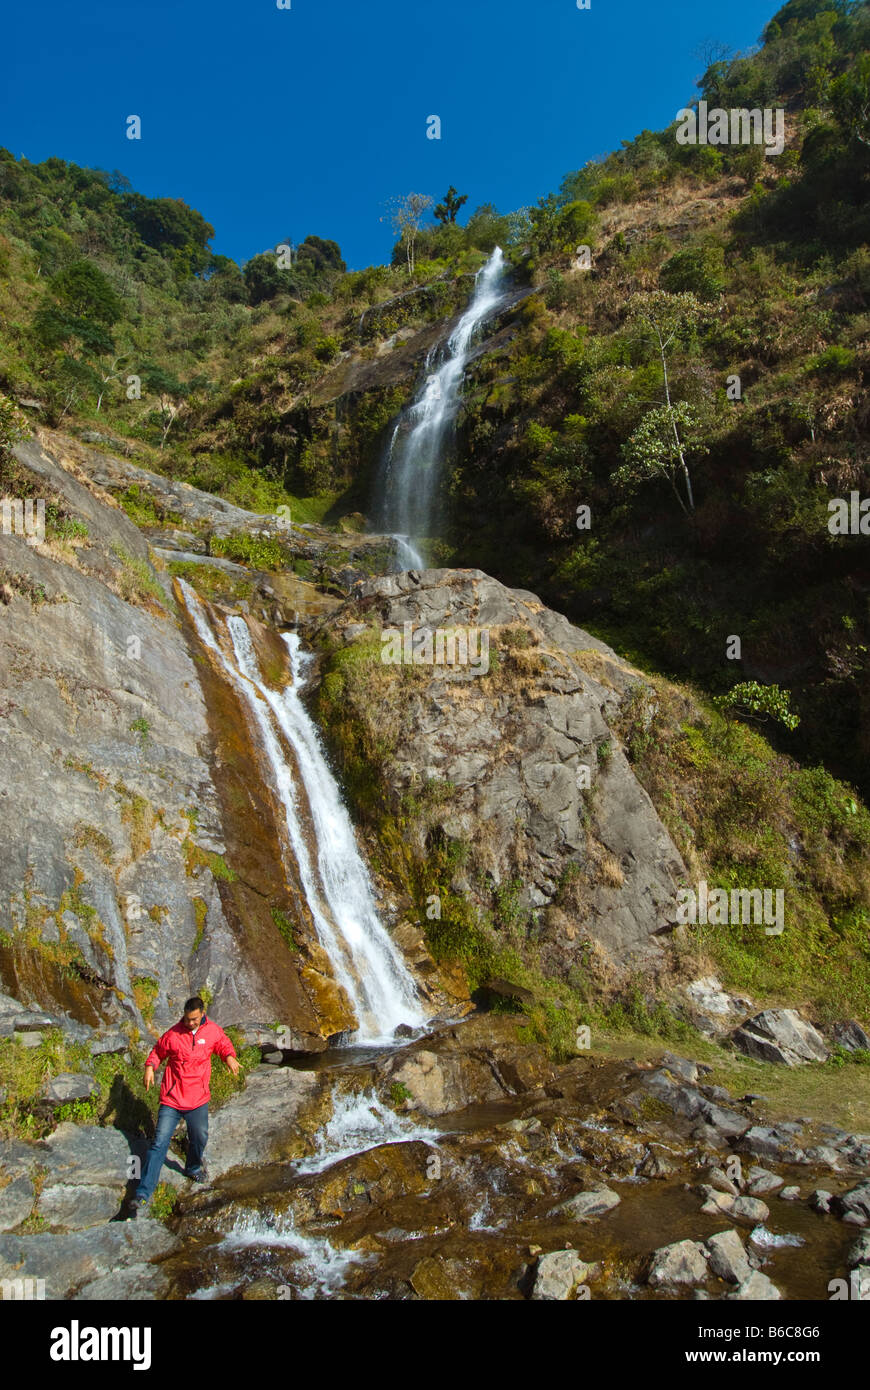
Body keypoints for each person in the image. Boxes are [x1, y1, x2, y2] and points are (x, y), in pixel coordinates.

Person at [128, 996, 239, 1217]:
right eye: (187, 1019)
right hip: (172, 1099)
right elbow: (158, 1052)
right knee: (159, 1143)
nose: (190, 1023)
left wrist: (229, 1057)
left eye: (194, 1019)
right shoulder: (173, 1034)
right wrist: (150, 1067)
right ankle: (142, 1193)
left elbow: (223, 1044)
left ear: (202, 1014)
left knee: (200, 1136)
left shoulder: (212, 1031)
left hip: (198, 1099)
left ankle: (193, 1167)